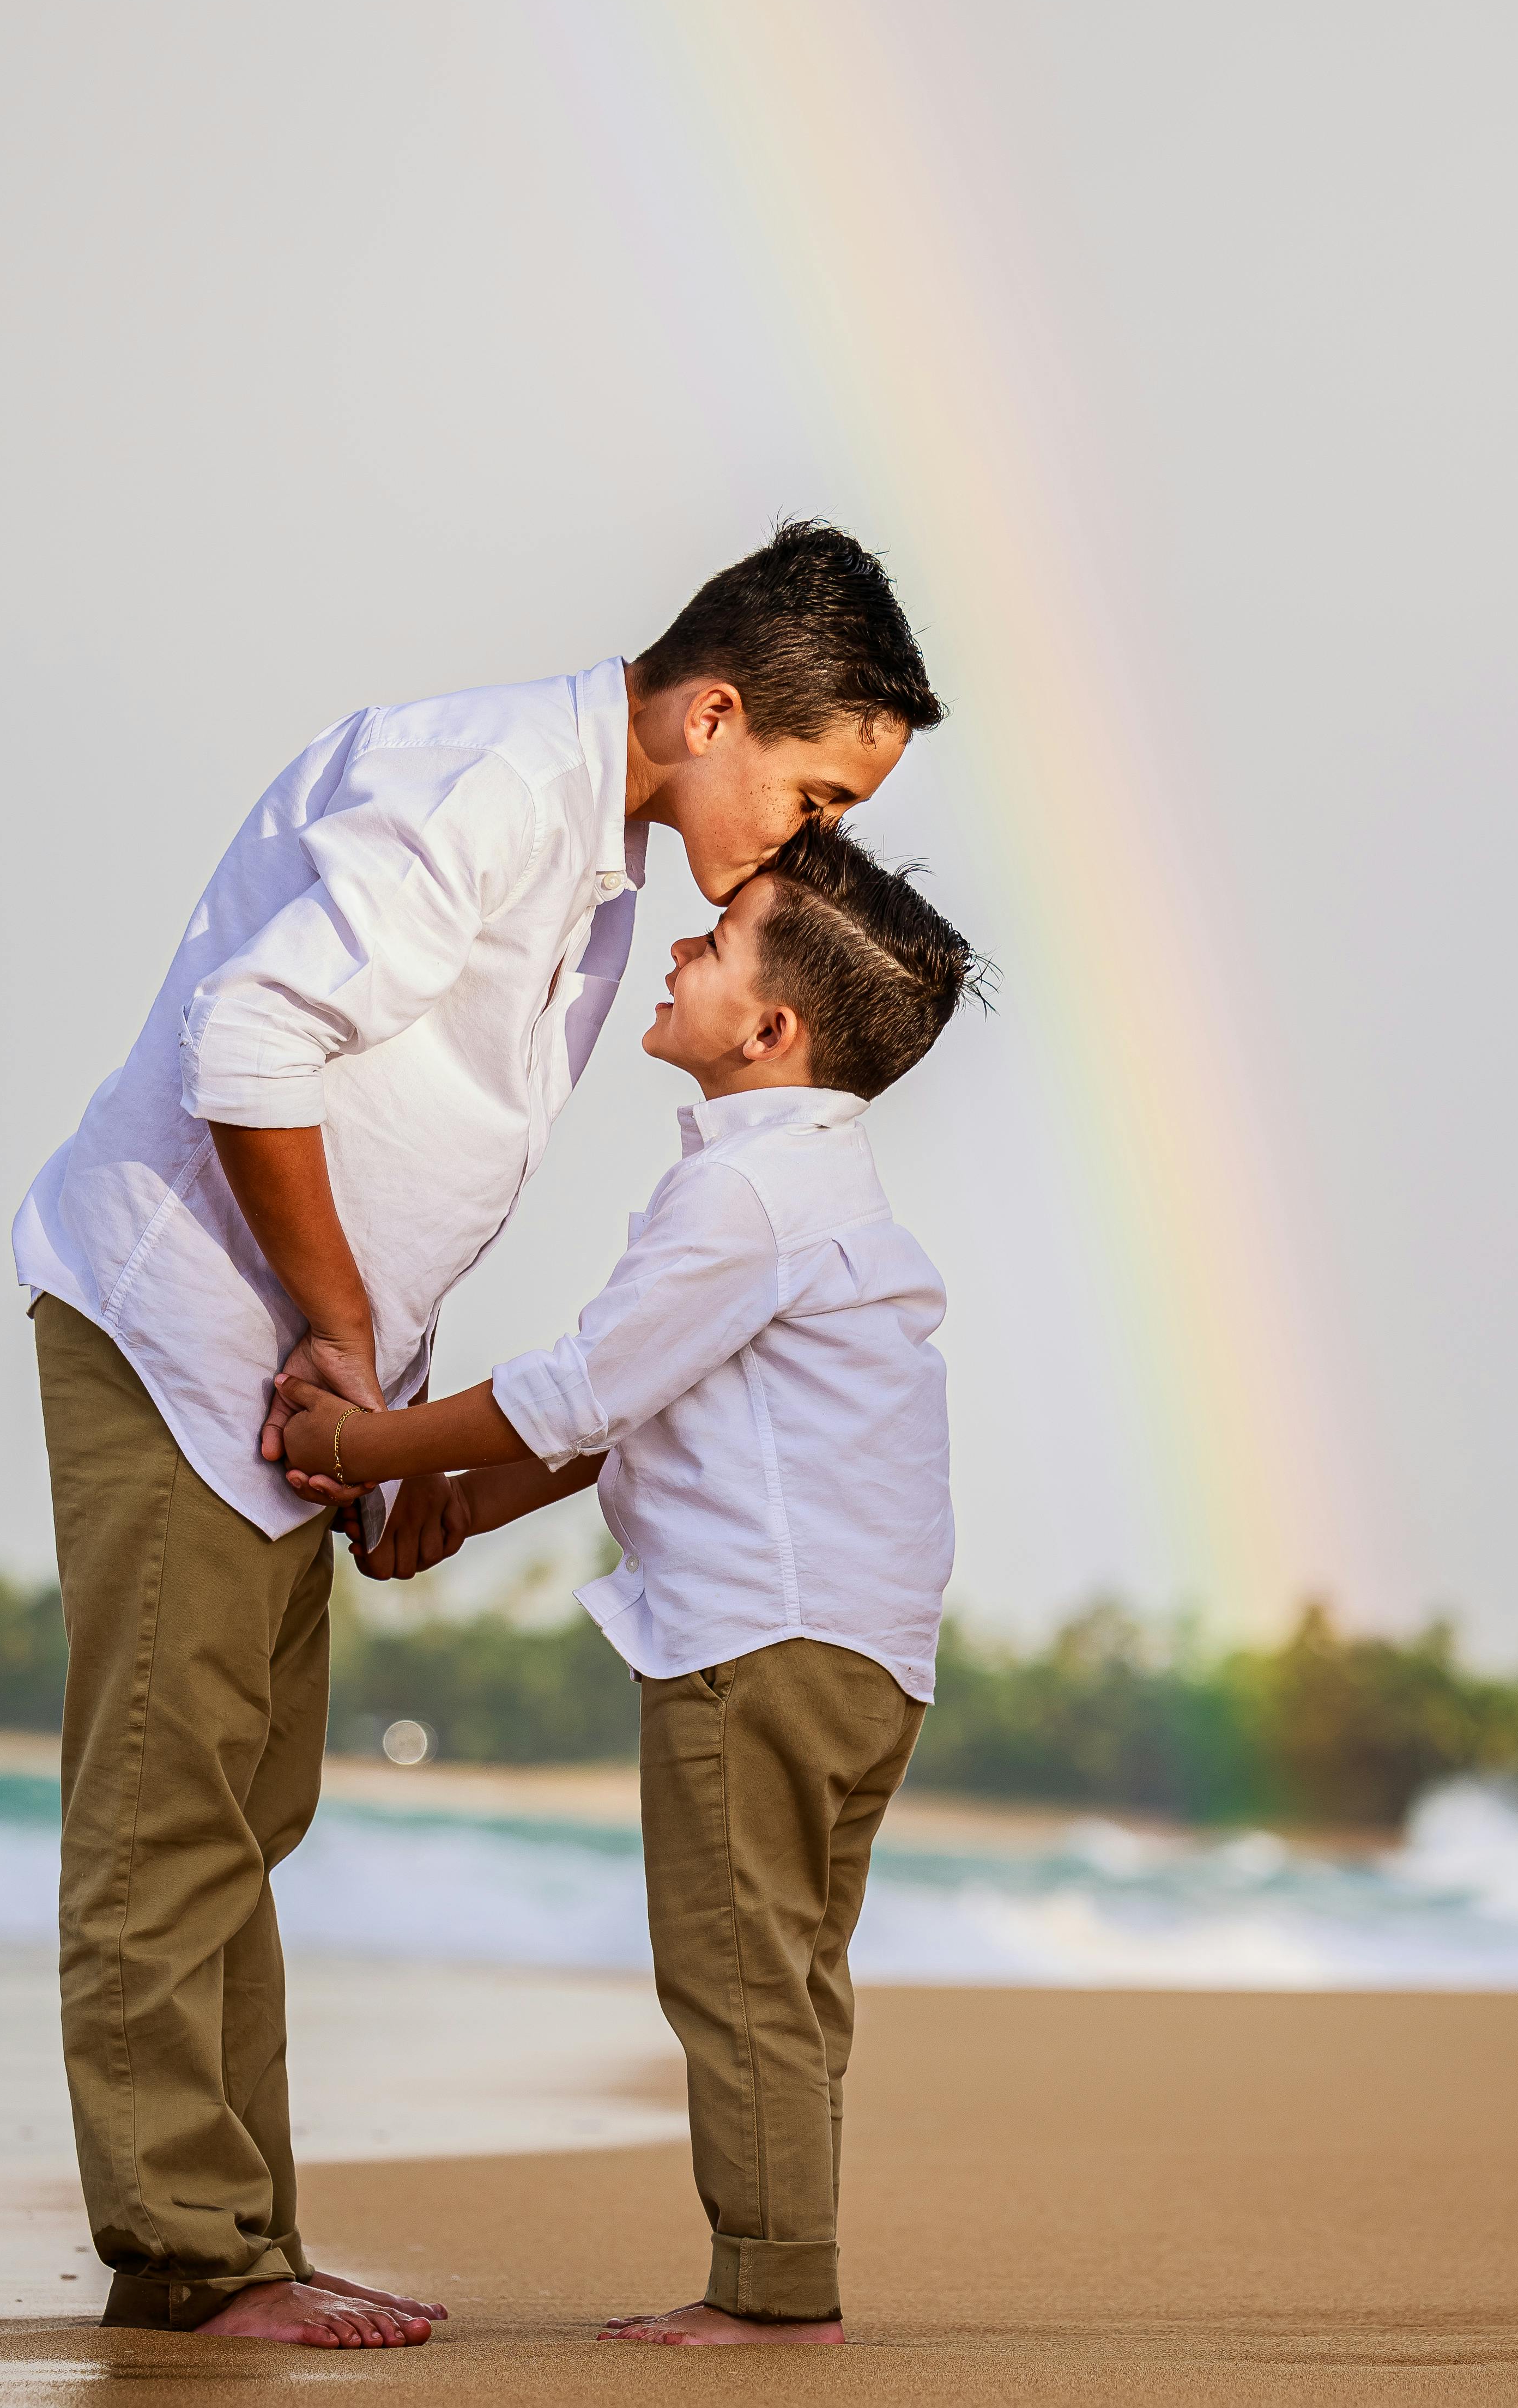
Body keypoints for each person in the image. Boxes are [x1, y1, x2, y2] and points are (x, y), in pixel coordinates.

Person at [11, 525, 942, 2347]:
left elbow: (445, 1172)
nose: (814, 835)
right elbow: (255, 1039)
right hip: (198, 1328)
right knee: (170, 1798)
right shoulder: (493, 791)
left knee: (242, 1801)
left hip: (296, 1375)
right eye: (814, 787)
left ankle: (229, 2240)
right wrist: (352, 1353)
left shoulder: (598, 860)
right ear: (717, 710)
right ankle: (195, 2257)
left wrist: (395, 1420)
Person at [274, 821, 981, 2346]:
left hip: (760, 1638)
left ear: (773, 1030)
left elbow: (587, 1388)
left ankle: (774, 2294)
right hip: (864, 1652)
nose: (676, 949)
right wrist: (455, 1505)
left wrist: (365, 1437)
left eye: (714, 945)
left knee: (734, 1973)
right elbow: (637, 1406)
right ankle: (786, 2259)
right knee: (790, 1973)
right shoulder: (815, 1195)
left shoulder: (747, 1200)